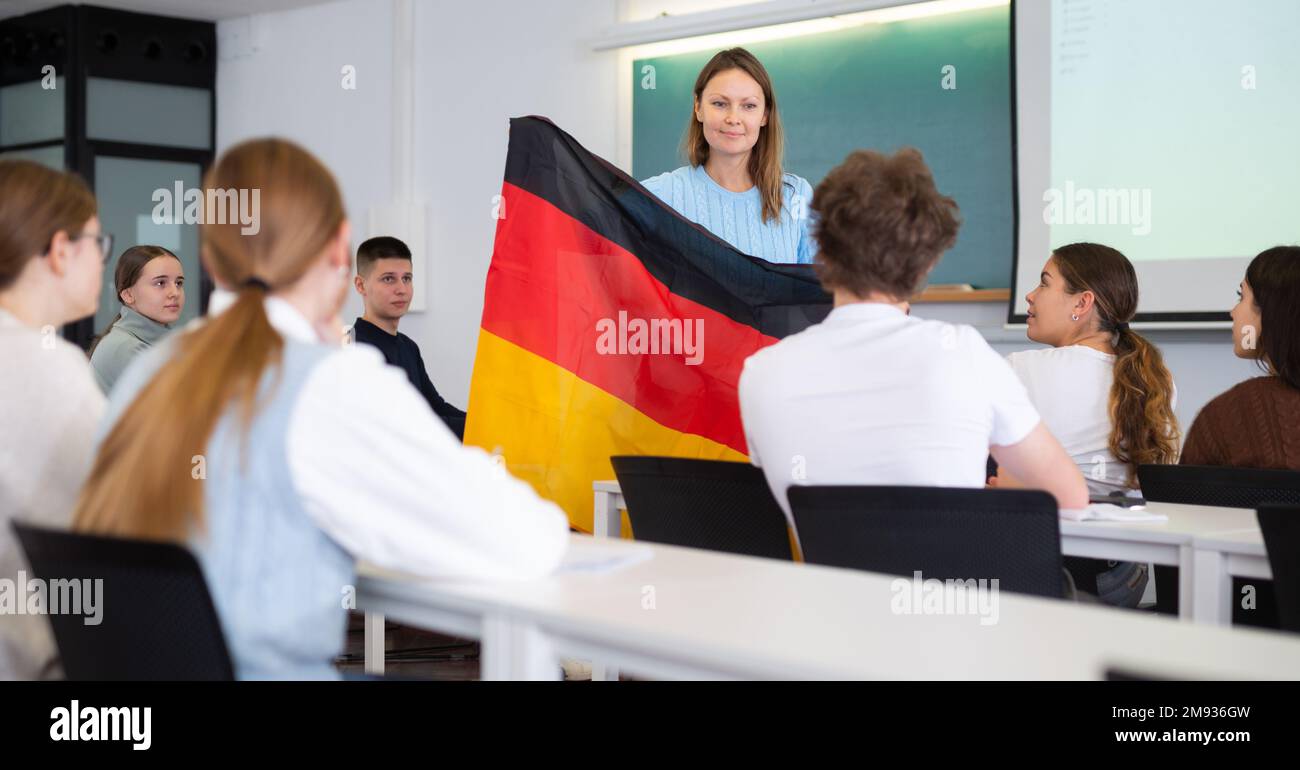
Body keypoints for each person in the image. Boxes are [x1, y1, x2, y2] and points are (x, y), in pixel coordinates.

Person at [72, 138, 569, 680]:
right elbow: (519, 542)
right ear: (339, 252)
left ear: (211, 260)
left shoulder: (153, 370)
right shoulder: (330, 382)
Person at [738, 147, 1088, 529]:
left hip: (823, 588)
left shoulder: (761, 372)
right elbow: (1070, 497)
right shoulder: (966, 356)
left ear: (821, 252)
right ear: (927, 263)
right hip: (954, 587)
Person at [1005, 242, 1179, 606]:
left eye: (1043, 283)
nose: (1030, 295)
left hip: (1042, 569)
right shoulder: (1157, 379)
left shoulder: (1020, 370)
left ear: (1082, 303)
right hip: (1122, 578)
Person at [0, 159, 108, 679]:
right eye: (98, 242)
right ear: (61, 251)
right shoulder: (51, 366)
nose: (102, 261)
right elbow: (123, 511)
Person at [640, 47, 815, 264]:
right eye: (720, 104)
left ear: (765, 115)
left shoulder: (796, 197)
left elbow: (823, 285)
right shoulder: (658, 196)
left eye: (749, 106)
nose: (733, 118)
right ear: (698, 107)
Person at [1182, 246, 1300, 467]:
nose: (1233, 312)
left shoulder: (1225, 415)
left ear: (1272, 310)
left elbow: (1179, 499)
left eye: (1241, 296)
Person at [350, 236, 466, 439]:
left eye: (407, 278)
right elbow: (410, 426)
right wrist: (485, 430)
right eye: (388, 279)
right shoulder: (358, 350)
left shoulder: (408, 347)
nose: (401, 289)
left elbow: (435, 408)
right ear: (360, 285)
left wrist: (487, 423)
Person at [88, 244, 184, 393]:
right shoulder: (125, 349)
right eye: (160, 283)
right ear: (128, 295)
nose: (175, 292)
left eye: (179, 283)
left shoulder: (159, 342)